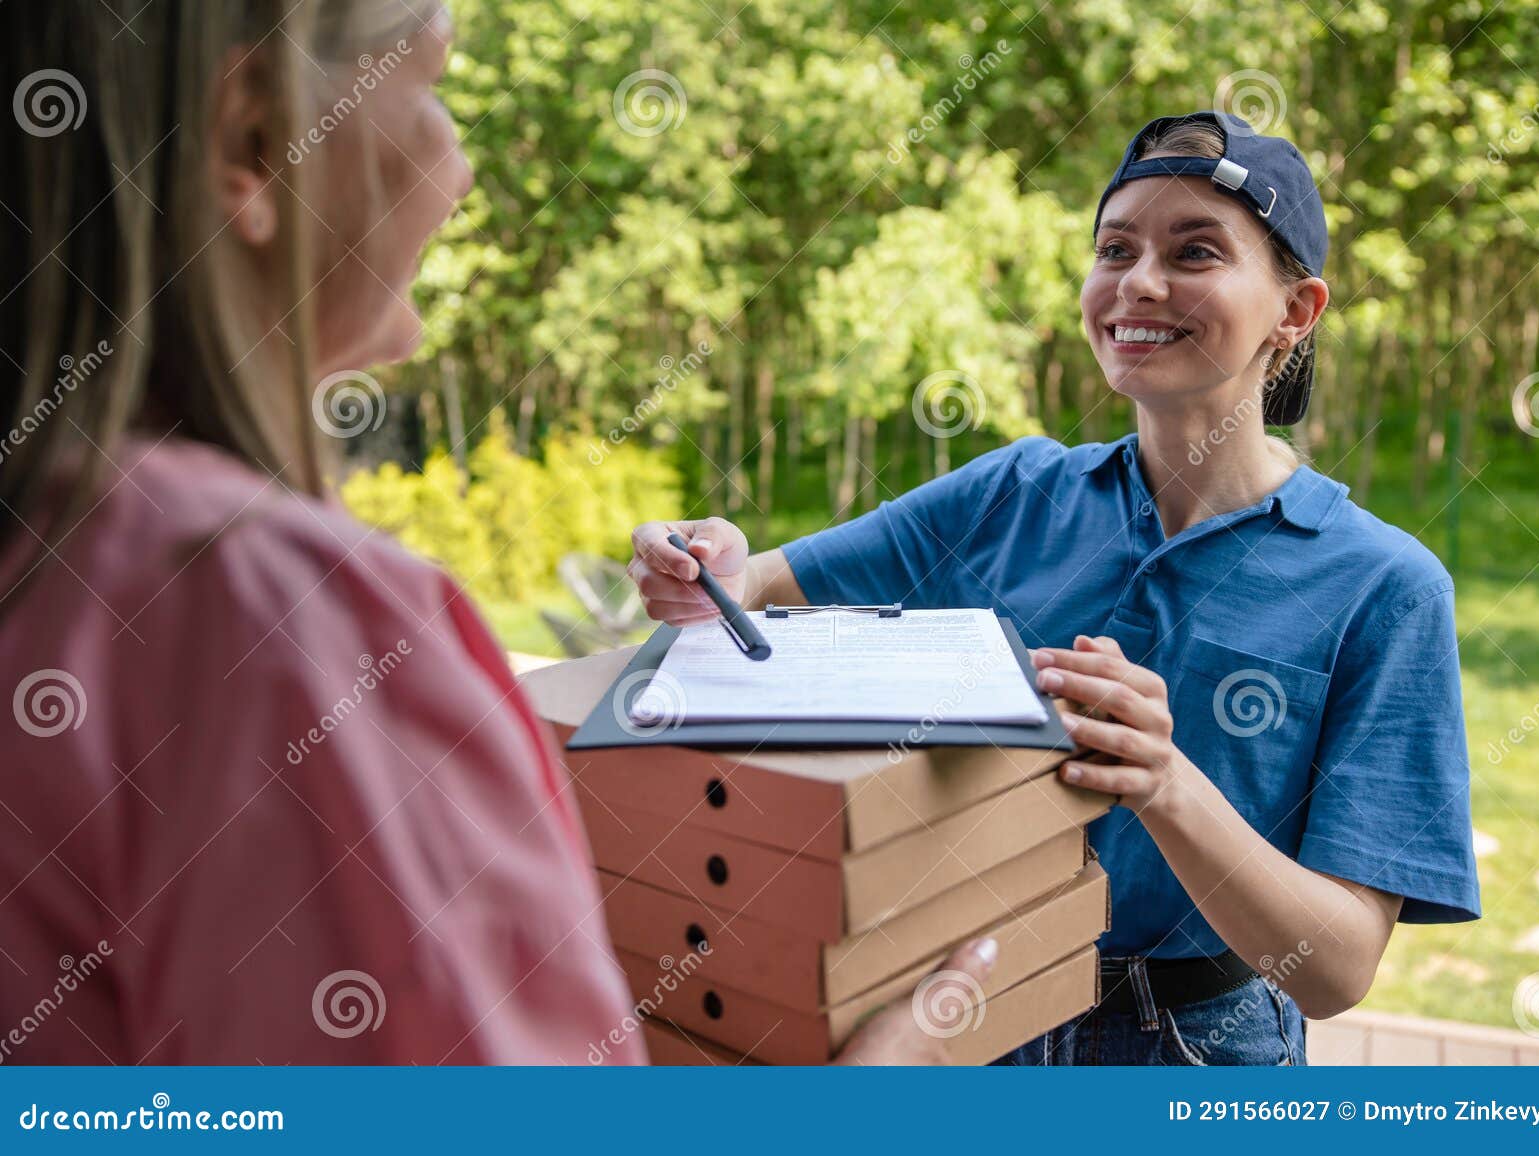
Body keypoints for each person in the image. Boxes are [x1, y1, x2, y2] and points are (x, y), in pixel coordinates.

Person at [0, 0, 994, 1065]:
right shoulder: (267, 604)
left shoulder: (65, 545)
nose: (463, 173)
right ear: (255, 142)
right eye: (435, 88)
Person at [630, 111, 1482, 1065]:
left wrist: (1166, 783)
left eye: (1196, 252)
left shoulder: (1386, 587)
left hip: (1198, 1046)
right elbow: (757, 592)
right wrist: (709, 570)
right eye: (1115, 249)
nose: (1139, 283)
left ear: (1296, 310)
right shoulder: (1011, 491)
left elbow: (1337, 971)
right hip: (964, 1012)